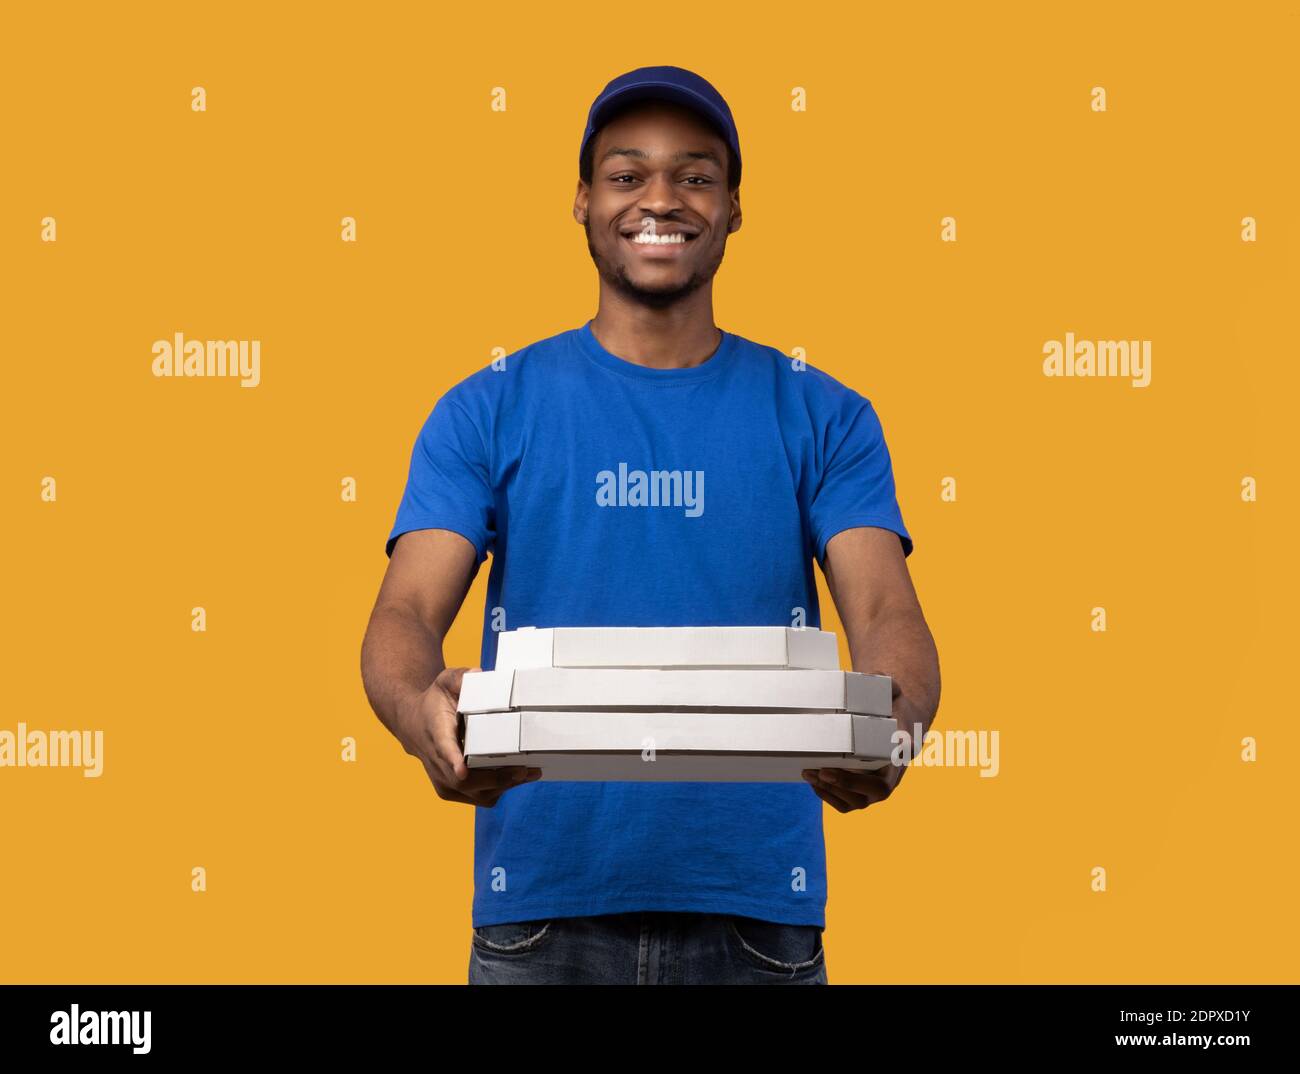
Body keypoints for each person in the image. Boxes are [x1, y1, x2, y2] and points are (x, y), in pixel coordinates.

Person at [360, 65, 941, 985]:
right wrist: (412, 709)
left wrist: (893, 730)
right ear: (585, 202)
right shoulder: (488, 409)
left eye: (696, 175)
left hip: (757, 916)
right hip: (541, 916)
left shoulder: (824, 414)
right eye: (628, 176)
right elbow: (401, 618)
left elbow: (887, 617)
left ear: (735, 208)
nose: (661, 199)